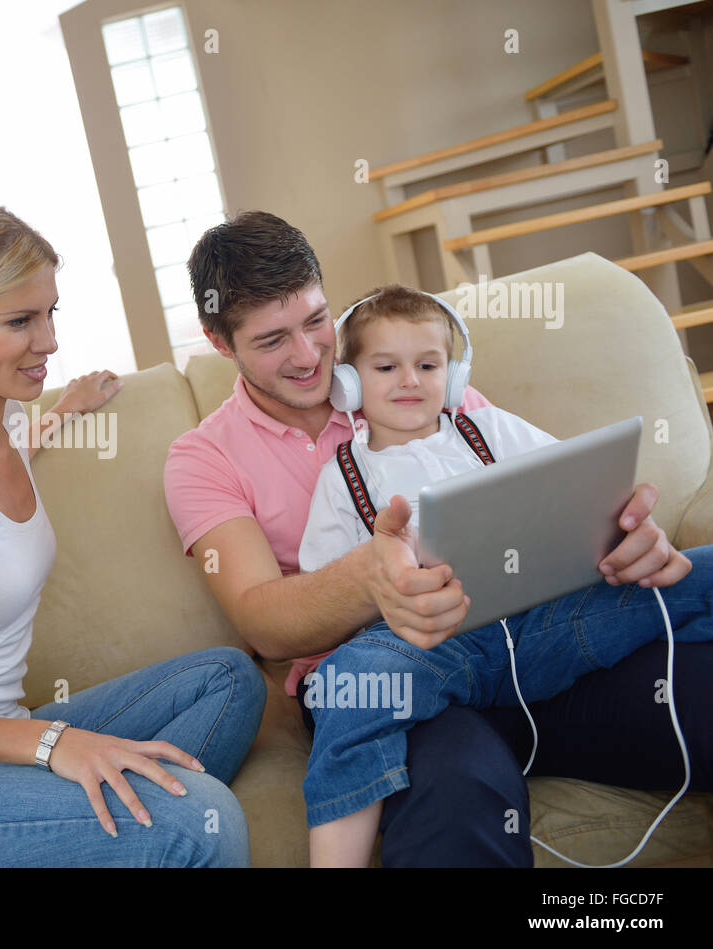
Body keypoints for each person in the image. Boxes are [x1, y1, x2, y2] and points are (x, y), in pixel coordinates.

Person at [163, 210, 711, 866]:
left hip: (534, 646)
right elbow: (264, 623)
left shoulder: (410, 375)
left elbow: (549, 492)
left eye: (315, 321)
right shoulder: (202, 458)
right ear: (219, 341)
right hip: (400, 690)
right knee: (458, 804)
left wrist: (621, 528)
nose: (309, 356)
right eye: (272, 340)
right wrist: (371, 575)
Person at [0, 197, 266, 867]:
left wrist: (66, 407)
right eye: (20, 321)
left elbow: (2, 470)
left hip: (2, 736)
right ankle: (161, 827)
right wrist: (53, 744)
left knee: (231, 679)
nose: (49, 341)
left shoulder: (2, 433)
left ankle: (115, 833)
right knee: (203, 824)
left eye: (49, 313)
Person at [293, 283, 713, 866]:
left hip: (546, 627)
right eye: (386, 367)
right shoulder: (343, 477)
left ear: (454, 374)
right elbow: (328, 596)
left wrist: (625, 529)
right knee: (349, 678)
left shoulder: (489, 428)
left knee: (706, 567)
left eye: (428, 364)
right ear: (351, 383)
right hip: (437, 652)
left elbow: (580, 493)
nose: (410, 380)